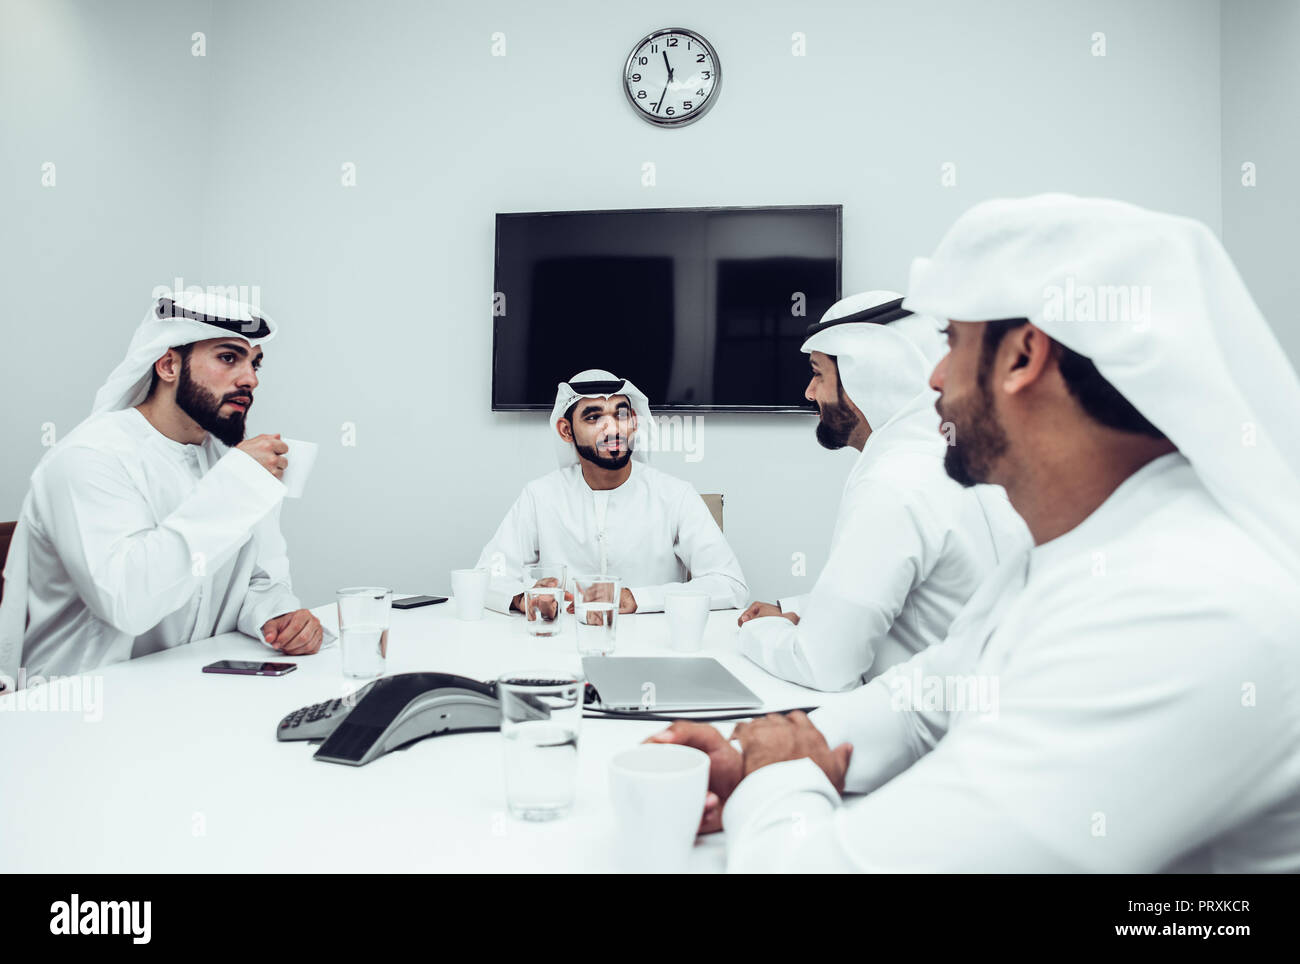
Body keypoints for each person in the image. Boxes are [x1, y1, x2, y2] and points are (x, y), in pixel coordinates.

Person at [651, 194, 1300, 872]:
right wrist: (773, 742)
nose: (932, 377)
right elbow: (933, 697)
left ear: (1023, 356)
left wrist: (775, 775)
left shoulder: (1189, 606)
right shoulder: (1071, 551)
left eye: (953, 343)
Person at [0, 290, 324, 689]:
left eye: (255, 363)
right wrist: (238, 485)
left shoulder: (222, 461)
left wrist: (277, 615)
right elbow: (128, 601)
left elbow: (247, 580)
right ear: (169, 365)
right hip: (82, 701)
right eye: (228, 358)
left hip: (185, 690)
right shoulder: (89, 459)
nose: (250, 379)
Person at [736, 291, 1027, 691]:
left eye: (818, 373)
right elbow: (914, 595)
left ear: (868, 376)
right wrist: (796, 610)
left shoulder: (893, 480)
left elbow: (823, 666)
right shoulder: (955, 453)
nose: (809, 392)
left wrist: (756, 633)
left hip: (918, 735)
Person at [476, 369, 747, 615]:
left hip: (654, 648)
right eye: (594, 417)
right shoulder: (540, 496)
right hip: (562, 645)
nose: (613, 428)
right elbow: (487, 575)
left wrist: (637, 598)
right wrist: (524, 598)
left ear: (634, 423)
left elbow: (730, 584)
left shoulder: (675, 496)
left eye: (621, 414)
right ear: (566, 431)